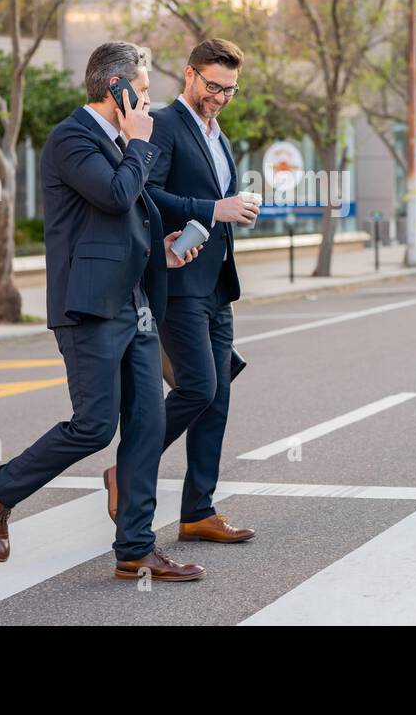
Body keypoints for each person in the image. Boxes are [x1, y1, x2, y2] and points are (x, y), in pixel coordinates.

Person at [0, 41, 206, 582]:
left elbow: (126, 219)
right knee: (94, 425)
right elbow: (117, 195)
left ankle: (136, 549)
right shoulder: (72, 139)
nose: (148, 103)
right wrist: (141, 145)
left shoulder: (120, 143)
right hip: (89, 307)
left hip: (136, 304)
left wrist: (165, 247)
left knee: (146, 425)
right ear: (116, 88)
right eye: (142, 91)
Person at [102, 38, 258, 544]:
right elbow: (147, 194)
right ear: (190, 75)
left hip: (216, 283)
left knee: (219, 396)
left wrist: (231, 209)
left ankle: (198, 511)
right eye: (213, 86)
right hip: (177, 279)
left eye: (229, 90)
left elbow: (212, 197)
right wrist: (217, 210)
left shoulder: (220, 135)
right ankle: (126, 472)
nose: (219, 97)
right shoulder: (165, 125)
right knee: (197, 387)